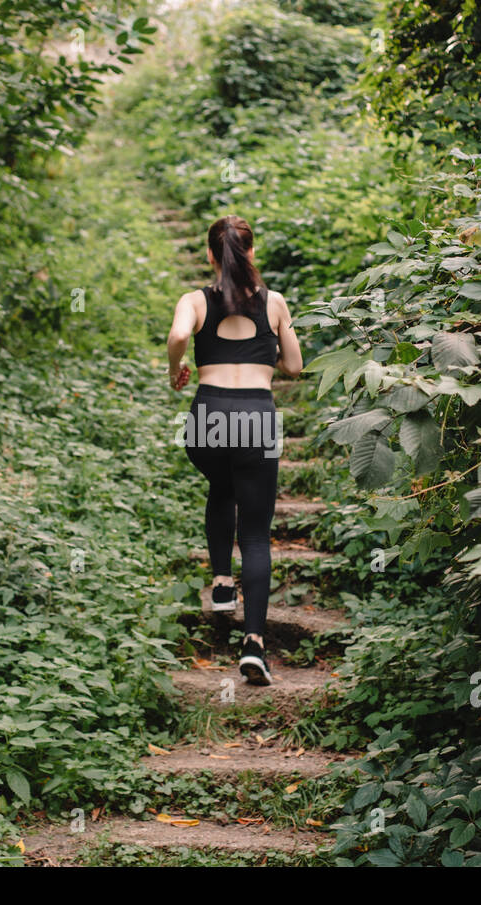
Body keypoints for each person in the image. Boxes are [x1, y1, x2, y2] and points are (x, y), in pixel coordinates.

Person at [166, 215, 304, 685]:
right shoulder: (275, 302)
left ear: (211, 255)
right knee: (257, 534)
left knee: (221, 487)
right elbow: (294, 367)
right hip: (255, 418)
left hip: (207, 417)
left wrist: (176, 367)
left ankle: (222, 582)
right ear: (251, 254)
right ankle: (254, 646)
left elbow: (179, 336)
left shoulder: (194, 300)